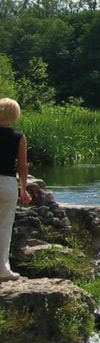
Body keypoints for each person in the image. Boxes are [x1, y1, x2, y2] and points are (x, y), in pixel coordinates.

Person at [0, 98, 30, 281]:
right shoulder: (18, 137)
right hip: (8, 184)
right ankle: (3, 269)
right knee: (4, 227)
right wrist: (24, 189)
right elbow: (23, 166)